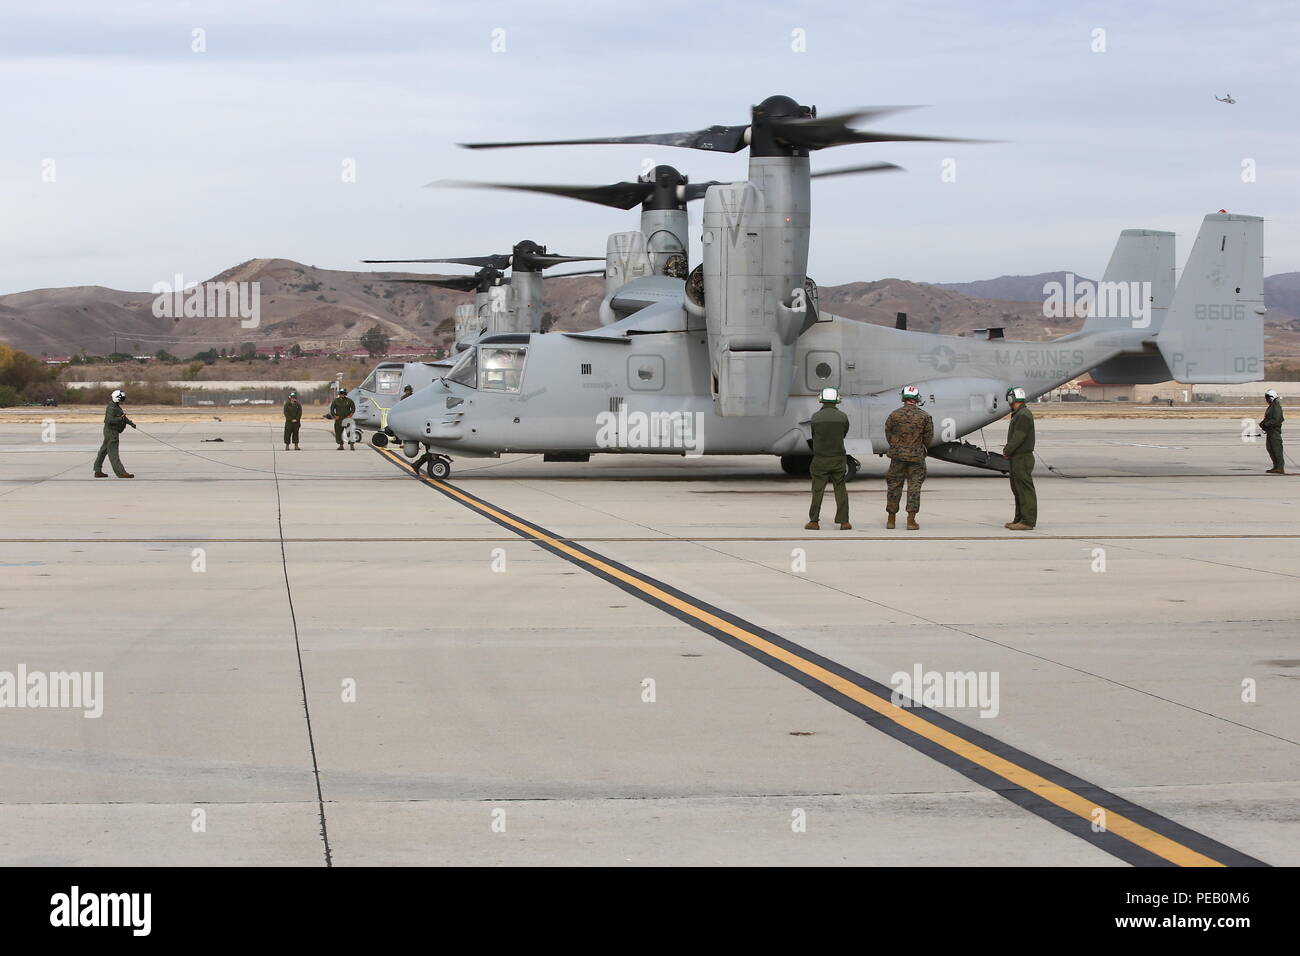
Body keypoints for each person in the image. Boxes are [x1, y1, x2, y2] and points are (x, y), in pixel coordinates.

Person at [884, 385, 933, 530]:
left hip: (897, 456)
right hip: (916, 457)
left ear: (903, 398)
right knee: (914, 487)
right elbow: (928, 438)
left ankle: (891, 520)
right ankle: (911, 521)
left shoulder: (894, 415)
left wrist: (897, 446)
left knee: (894, 486)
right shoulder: (924, 416)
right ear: (917, 399)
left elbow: (888, 434)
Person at [805, 387, 852, 531]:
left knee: (817, 490)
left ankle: (814, 521)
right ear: (837, 399)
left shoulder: (815, 417)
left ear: (821, 399)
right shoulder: (843, 417)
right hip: (838, 459)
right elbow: (844, 433)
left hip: (820, 459)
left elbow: (813, 435)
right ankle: (844, 522)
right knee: (840, 489)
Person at [1003, 386, 1036, 530]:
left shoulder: (1023, 415)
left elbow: (1019, 437)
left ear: (1012, 398)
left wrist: (1008, 449)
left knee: (1024, 489)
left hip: (1022, 457)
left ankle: (1028, 521)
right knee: (1017, 489)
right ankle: (1019, 519)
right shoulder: (1019, 413)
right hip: (1017, 457)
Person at [93, 389, 136, 479]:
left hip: (109, 431)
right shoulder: (112, 408)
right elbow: (109, 420)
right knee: (113, 453)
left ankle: (97, 471)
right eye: (121, 399)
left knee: (103, 450)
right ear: (117, 398)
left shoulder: (115, 406)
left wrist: (130, 423)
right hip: (111, 432)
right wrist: (120, 419)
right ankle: (121, 473)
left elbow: (122, 416)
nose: (122, 401)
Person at [1261, 388, 1286, 474]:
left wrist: (1266, 424)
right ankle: (1276, 467)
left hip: (1274, 432)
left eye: (1267, 397)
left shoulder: (1276, 406)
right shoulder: (1272, 406)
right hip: (1270, 431)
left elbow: (1276, 419)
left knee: (1276, 449)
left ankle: (1280, 467)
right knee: (1270, 448)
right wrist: (1263, 423)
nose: (1266, 399)